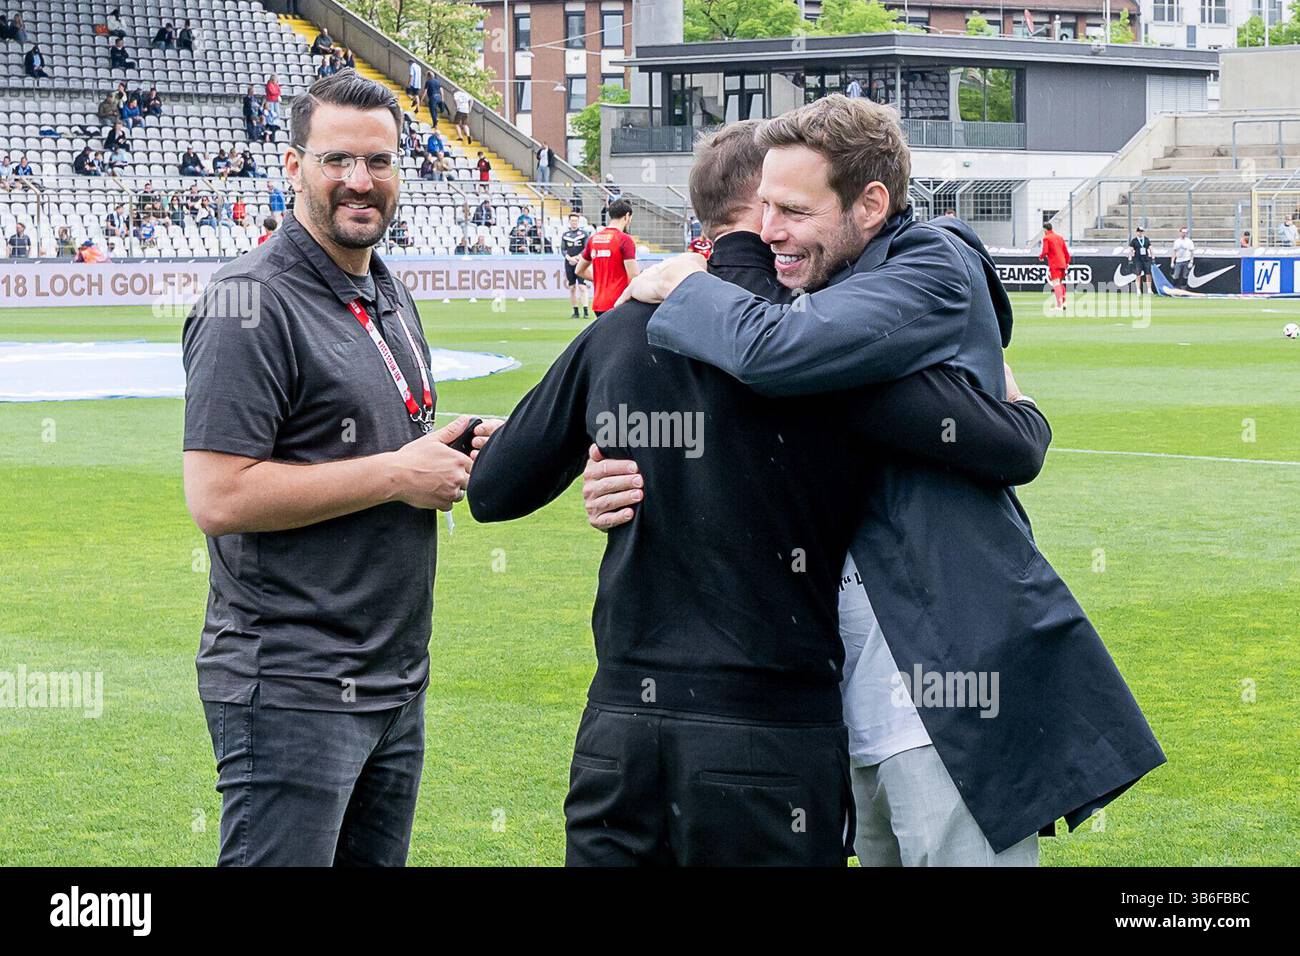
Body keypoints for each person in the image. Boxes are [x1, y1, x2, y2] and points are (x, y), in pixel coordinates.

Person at [466, 120, 1054, 866]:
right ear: (756, 206)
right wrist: (1021, 413)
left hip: (619, 725)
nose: (780, 230)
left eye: (795, 211)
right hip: (771, 729)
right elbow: (1001, 443)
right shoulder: (822, 353)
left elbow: (493, 488)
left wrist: (618, 450)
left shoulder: (628, 329)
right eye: (775, 210)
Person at [608, 96, 1165, 864]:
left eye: (792, 209)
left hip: (942, 687)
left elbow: (779, 355)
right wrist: (622, 474)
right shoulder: (820, 282)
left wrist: (686, 283)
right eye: (763, 203)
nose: (765, 228)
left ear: (872, 205)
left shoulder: (931, 259)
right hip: (838, 688)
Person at [183, 69, 496, 867]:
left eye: (380, 162)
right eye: (336, 160)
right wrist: (397, 473)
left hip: (393, 676)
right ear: (294, 167)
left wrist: (448, 446)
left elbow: (382, 437)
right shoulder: (246, 303)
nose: (360, 181)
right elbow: (219, 494)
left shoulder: (384, 286)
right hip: (291, 682)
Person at [576, 197, 638, 317]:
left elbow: (579, 270)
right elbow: (634, 276)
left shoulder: (594, 239)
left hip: (599, 304)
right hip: (619, 303)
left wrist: (602, 279)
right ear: (627, 216)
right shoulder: (624, 240)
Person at [561, 212, 592, 319]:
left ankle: (586, 310)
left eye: (575, 221)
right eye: (572, 220)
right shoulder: (565, 235)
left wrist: (578, 257)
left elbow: (586, 248)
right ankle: (575, 311)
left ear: (578, 222)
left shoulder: (584, 234)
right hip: (569, 263)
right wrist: (569, 258)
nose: (574, 222)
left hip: (581, 263)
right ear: (569, 222)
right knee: (572, 287)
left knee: (582, 287)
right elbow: (563, 249)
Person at [1038, 222, 1070, 310]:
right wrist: (1067, 262)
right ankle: (1063, 302)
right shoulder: (1060, 237)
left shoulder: (1046, 238)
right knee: (1060, 283)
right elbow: (1066, 252)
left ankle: (1059, 305)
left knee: (1056, 283)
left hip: (1054, 263)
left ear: (1044, 229)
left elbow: (1045, 251)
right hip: (1062, 263)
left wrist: (1041, 257)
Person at [1127, 225, 1153, 296]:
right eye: (1139, 232)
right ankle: (1138, 290)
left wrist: (1152, 257)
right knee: (1138, 275)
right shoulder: (1134, 240)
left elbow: (1150, 248)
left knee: (1148, 274)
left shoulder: (1146, 239)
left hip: (1146, 259)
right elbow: (1131, 250)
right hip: (1138, 259)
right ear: (1136, 232)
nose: (1140, 233)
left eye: (1141, 232)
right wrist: (1130, 259)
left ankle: (1149, 289)